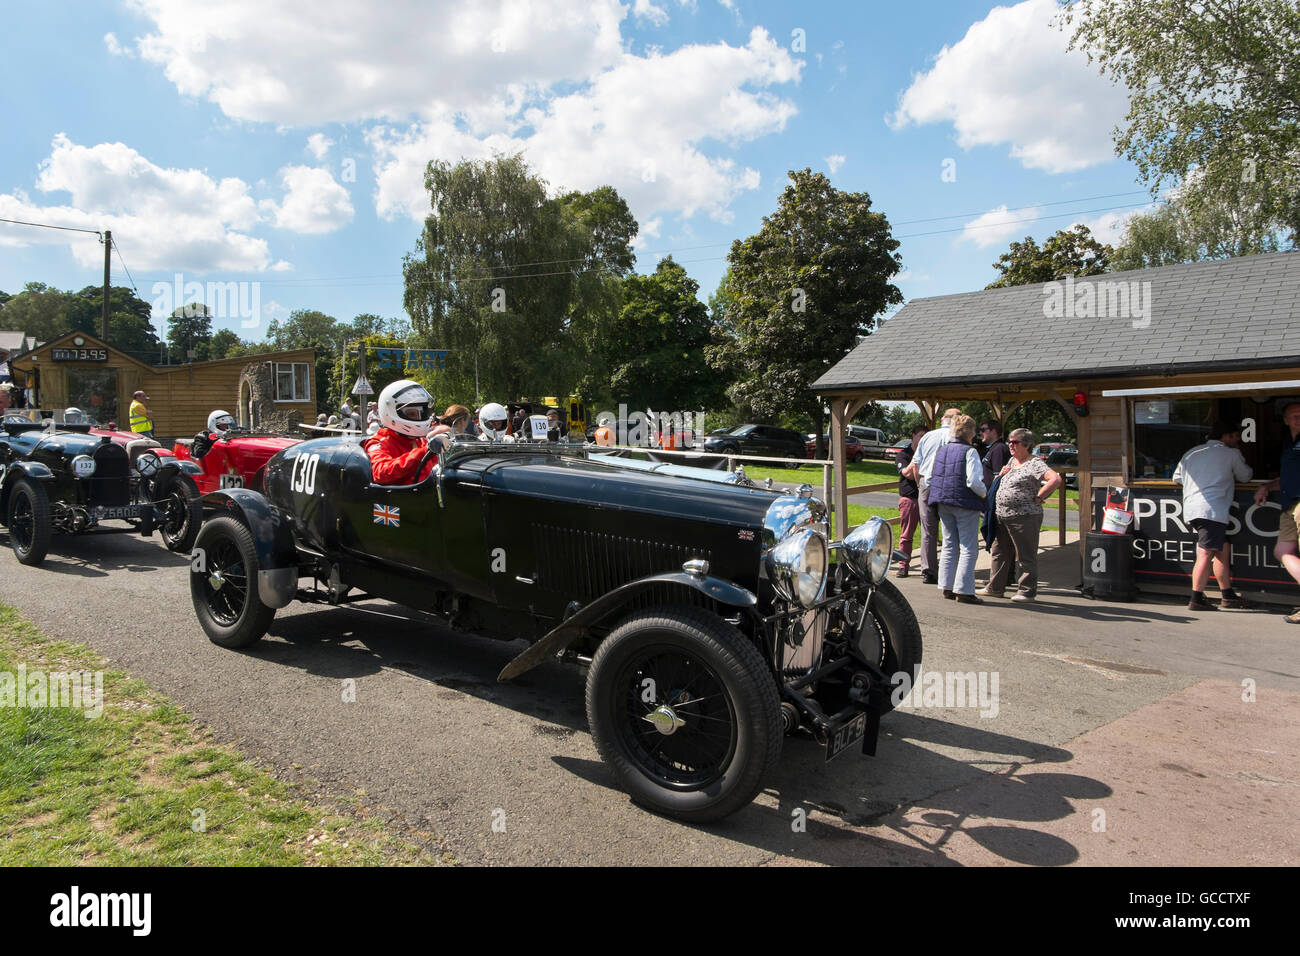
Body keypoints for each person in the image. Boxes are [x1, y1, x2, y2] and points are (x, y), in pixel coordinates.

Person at [1172, 422, 1253, 611]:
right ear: (1225, 437)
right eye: (1235, 436)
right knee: (1206, 553)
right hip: (1212, 510)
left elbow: (1177, 477)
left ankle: (1228, 595)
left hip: (1193, 508)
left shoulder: (1192, 452)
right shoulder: (1231, 454)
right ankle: (1196, 598)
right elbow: (1245, 476)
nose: (1238, 440)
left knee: (1222, 549)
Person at [979, 428, 1062, 602]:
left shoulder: (1034, 463)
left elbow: (1055, 479)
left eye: (1015, 442)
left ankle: (1026, 591)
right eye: (1010, 441)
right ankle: (995, 587)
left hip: (1024, 516)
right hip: (1001, 515)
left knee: (1025, 554)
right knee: (999, 552)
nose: (1010, 445)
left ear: (1027, 445)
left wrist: (1040, 496)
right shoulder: (1011, 460)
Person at [927, 414, 987, 603]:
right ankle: (964, 590)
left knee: (949, 544)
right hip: (965, 503)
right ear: (970, 432)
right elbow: (974, 481)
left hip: (944, 502)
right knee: (968, 547)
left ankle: (947, 586)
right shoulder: (970, 452)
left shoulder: (942, 450)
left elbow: (931, 477)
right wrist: (985, 494)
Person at [903, 407, 961, 584]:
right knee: (950, 528)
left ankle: (928, 570)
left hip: (926, 484)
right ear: (956, 420)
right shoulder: (955, 438)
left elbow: (915, 465)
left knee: (928, 530)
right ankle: (949, 569)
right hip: (947, 486)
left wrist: (920, 484)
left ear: (942, 419)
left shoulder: (927, 436)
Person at [1255, 401, 1300, 623]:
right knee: (1281, 551)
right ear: (1285, 420)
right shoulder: (1287, 444)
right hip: (1289, 505)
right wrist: (1267, 487)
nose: (1298, 418)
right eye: (1293, 415)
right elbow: (1288, 478)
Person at [364, 380, 440, 485]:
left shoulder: (421, 441)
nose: (419, 418)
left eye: (422, 413)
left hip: (428, 495)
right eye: (412, 414)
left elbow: (439, 467)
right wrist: (422, 452)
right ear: (390, 412)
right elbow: (381, 473)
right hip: (399, 499)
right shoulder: (380, 442)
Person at [894, 424, 928, 577]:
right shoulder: (904, 455)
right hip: (910, 499)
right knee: (906, 535)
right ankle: (903, 565)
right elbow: (907, 474)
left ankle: (928, 567)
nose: (922, 439)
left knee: (928, 535)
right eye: (920, 435)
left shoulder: (928, 453)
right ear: (913, 435)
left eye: (925, 436)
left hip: (927, 498)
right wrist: (917, 466)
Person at [980, 421, 1011, 488]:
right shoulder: (992, 448)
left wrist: (990, 495)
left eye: (983, 430)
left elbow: (998, 477)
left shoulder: (999, 448)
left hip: (992, 495)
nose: (980, 433)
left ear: (993, 431)